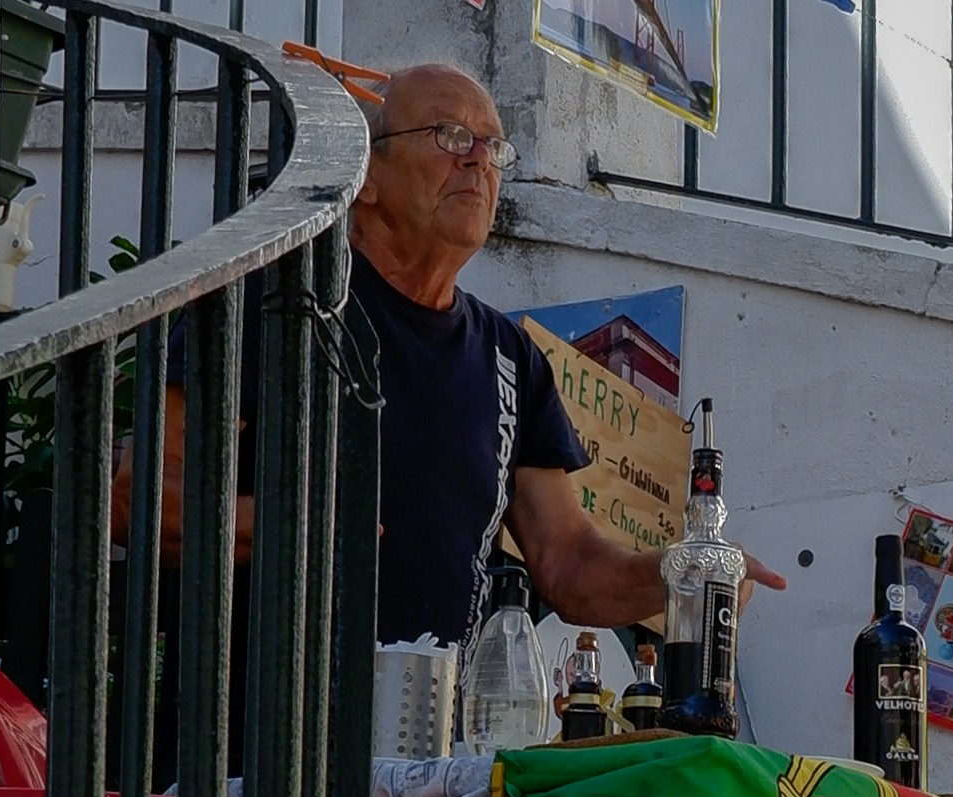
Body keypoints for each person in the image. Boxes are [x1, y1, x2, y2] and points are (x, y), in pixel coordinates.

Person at [119, 59, 694, 652]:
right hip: (264, 731)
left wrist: (686, 575)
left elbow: (568, 563)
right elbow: (137, 497)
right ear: (364, 175)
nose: (477, 159)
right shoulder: (275, 303)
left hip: (428, 731)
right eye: (448, 135)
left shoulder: (512, 358)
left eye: (493, 147)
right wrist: (291, 527)